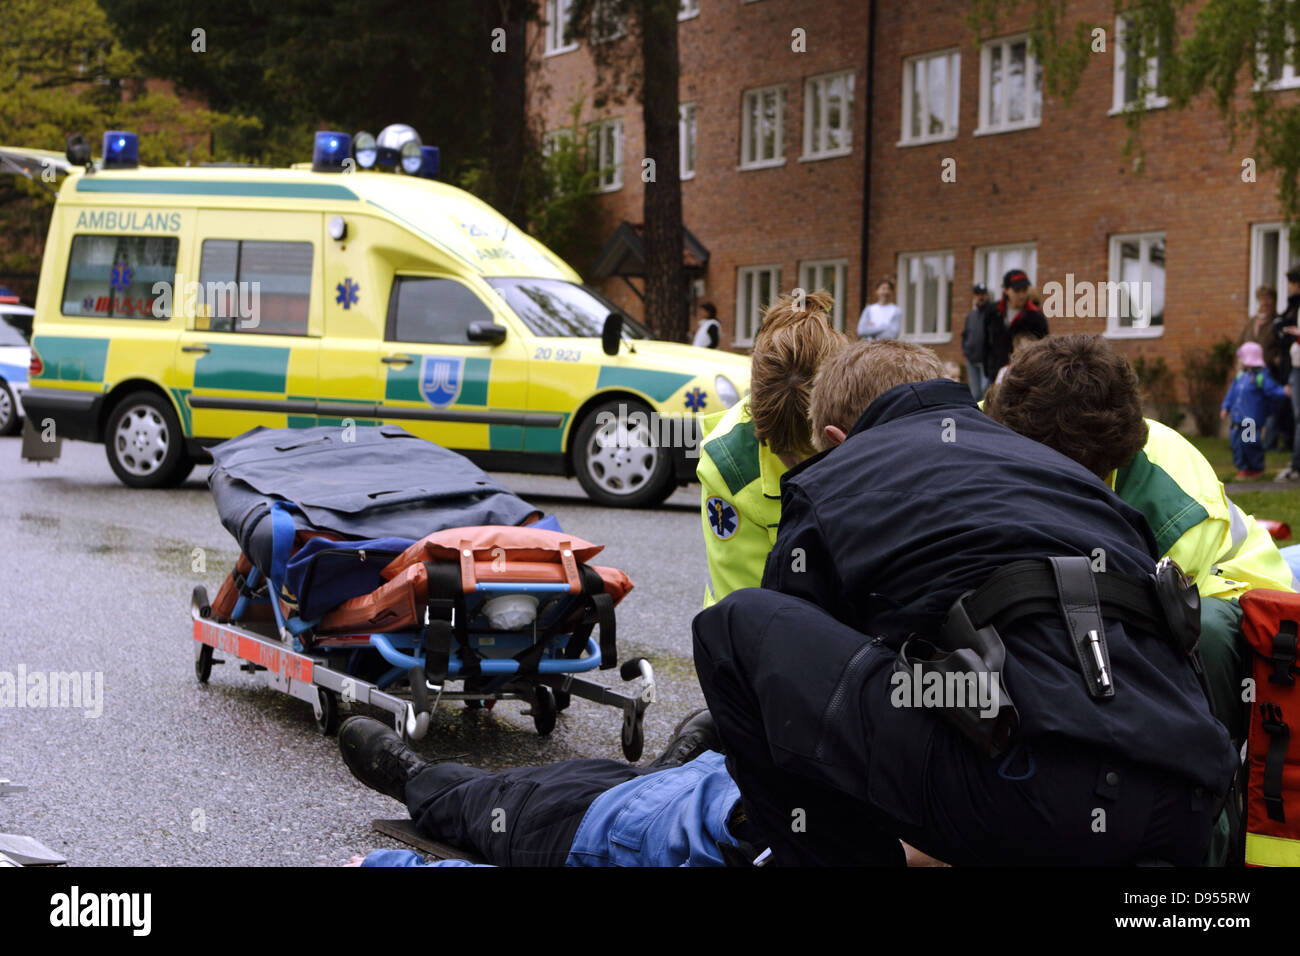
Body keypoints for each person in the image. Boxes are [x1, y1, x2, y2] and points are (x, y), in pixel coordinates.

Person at [692, 339, 1237, 866]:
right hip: (1189, 798)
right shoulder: (1058, 466)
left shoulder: (836, 474)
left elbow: (797, 695)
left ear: (836, 439)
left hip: (1034, 794)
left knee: (735, 628)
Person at [338, 710, 771, 867]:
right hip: (689, 794)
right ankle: (672, 767)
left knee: (491, 801)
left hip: (586, 826)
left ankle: (419, 781)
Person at [696, 290, 847, 607]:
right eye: (786, 451)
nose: (797, 466)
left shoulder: (865, 411)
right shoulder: (730, 465)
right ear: (756, 417)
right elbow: (746, 613)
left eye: (811, 452)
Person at [1222, 340, 1290, 479]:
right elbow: (1231, 393)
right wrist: (1225, 407)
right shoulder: (1240, 376)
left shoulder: (1260, 377)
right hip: (1236, 419)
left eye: (1241, 358)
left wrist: (1284, 391)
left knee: (1250, 444)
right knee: (1237, 444)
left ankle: (1256, 468)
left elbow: (1272, 389)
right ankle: (1243, 468)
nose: (1239, 361)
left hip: (1250, 420)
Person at [984, 268, 1048, 383]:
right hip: (996, 374)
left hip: (1025, 375)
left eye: (1024, 290)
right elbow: (985, 342)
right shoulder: (993, 312)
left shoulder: (1036, 316)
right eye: (1017, 290)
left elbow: (1044, 347)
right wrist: (988, 369)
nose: (1022, 295)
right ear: (1005, 290)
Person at [1276, 274, 1300, 481]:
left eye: (1291, 283)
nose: (1289, 288)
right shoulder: (1292, 307)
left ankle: (1296, 463)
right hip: (1294, 365)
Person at [960, 283, 992, 399]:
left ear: (987, 295)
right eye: (978, 294)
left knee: (985, 392)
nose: (981, 297)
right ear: (974, 296)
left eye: (983, 294)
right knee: (975, 394)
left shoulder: (992, 313)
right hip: (972, 361)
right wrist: (965, 350)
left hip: (986, 362)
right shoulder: (971, 315)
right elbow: (965, 334)